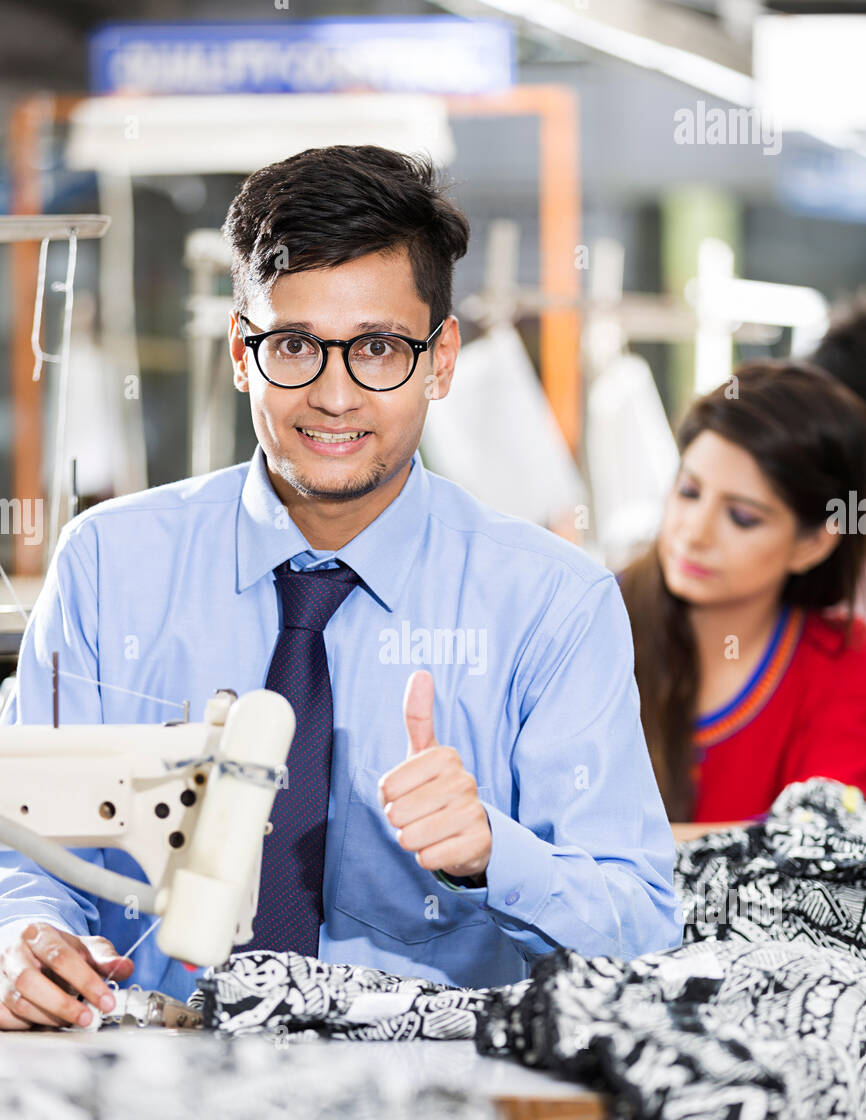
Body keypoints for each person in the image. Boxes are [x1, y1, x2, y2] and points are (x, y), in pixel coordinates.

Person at [0, 145, 681, 1032]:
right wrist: (27, 934)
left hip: (431, 1107)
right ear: (243, 353)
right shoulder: (107, 566)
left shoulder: (552, 604)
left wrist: (493, 855)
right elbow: (21, 840)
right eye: (293, 345)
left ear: (440, 362)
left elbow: (644, 933)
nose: (332, 394)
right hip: (145, 1075)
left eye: (376, 349)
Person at [618, 358, 866, 1120]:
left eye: (743, 515)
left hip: (761, 1050)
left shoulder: (841, 668)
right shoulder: (592, 624)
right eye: (688, 492)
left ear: (811, 544)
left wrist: (608, 861)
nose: (694, 531)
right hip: (605, 1026)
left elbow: (816, 862)